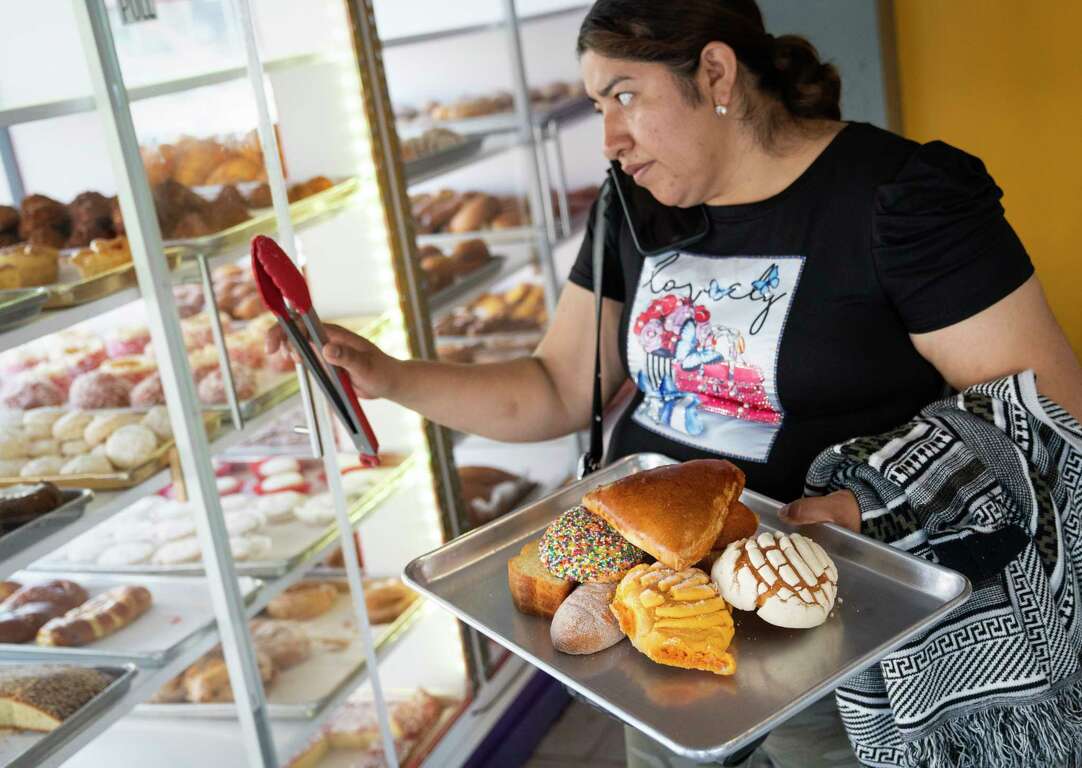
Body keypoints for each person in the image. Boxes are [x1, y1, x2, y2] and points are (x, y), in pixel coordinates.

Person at [269, 0, 1082, 764]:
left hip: (833, 645)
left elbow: (1046, 412)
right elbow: (556, 388)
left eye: (625, 94)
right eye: (597, 105)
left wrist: (872, 498)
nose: (610, 138)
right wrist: (386, 375)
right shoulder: (633, 205)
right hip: (650, 628)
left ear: (718, 75)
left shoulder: (900, 199)